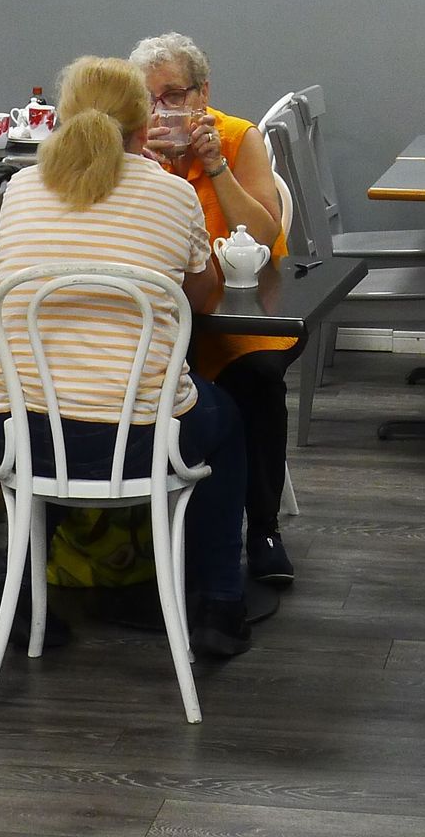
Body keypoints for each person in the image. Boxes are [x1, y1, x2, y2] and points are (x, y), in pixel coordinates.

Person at [0, 56, 251, 657]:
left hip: (13, 432)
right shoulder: (172, 194)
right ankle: (221, 603)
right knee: (225, 418)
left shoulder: (18, 188)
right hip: (137, 441)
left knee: (47, 403)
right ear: (142, 126)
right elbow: (204, 298)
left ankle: (17, 599)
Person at [129, 32, 297, 588]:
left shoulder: (236, 137)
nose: (160, 111)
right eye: (148, 99)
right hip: (155, 317)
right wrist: (141, 165)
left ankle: (264, 528)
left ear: (202, 93)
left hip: (236, 307)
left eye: (172, 96)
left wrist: (214, 165)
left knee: (257, 380)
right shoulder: (130, 148)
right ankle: (138, 526)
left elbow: (267, 231)